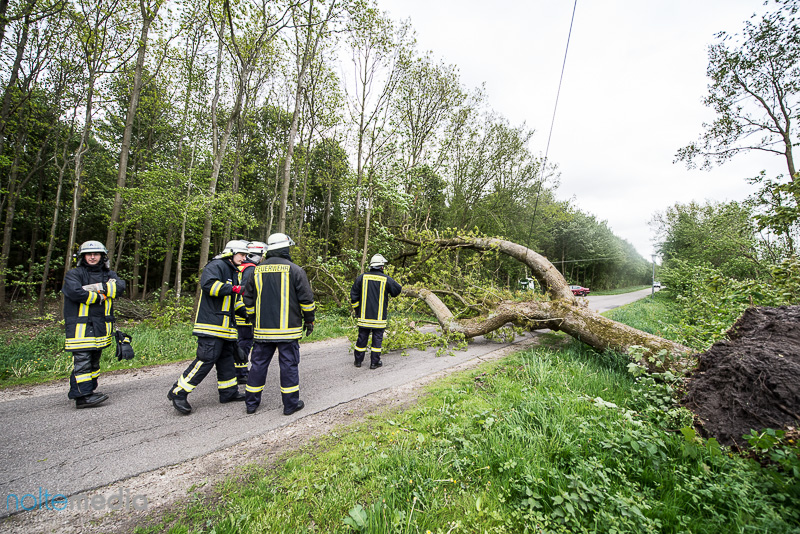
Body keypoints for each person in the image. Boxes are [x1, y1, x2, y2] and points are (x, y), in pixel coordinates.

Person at [167, 240, 249, 414]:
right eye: (242, 254)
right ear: (231, 252)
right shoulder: (216, 265)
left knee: (227, 360)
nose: (244, 258)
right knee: (206, 359)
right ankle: (178, 391)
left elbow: (234, 302)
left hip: (226, 329)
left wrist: (249, 315)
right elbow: (208, 285)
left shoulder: (234, 271)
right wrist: (235, 288)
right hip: (211, 326)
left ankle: (228, 392)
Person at [243, 233, 315, 416]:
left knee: (258, 366)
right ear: (285, 248)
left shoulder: (256, 270)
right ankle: (290, 405)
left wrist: (252, 318)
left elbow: (248, 299)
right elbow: (306, 300)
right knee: (288, 366)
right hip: (288, 331)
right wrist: (309, 320)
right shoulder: (295, 270)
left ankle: (251, 404)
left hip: (262, 331)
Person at [62, 240, 126, 408]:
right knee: (82, 362)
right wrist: (101, 295)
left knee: (94, 362)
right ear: (82, 257)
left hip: (100, 327)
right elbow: (75, 292)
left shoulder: (109, 274)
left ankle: (87, 391)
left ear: (102, 256)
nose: (92, 257)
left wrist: (91, 289)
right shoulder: (74, 274)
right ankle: (82, 397)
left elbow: (119, 287)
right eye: (89, 254)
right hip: (80, 328)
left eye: (96, 254)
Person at [350, 254, 402, 369]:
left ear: (371, 266)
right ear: (381, 267)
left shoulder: (362, 278)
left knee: (362, 339)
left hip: (364, 317)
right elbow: (397, 290)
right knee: (377, 341)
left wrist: (357, 310)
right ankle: (374, 363)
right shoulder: (386, 279)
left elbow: (353, 296)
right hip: (379, 318)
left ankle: (358, 361)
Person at [233, 240, 267, 385]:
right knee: (245, 343)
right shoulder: (251, 269)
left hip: (236, 311)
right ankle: (240, 373)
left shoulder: (239, 267)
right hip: (244, 313)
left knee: (241, 342)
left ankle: (237, 371)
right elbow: (246, 292)